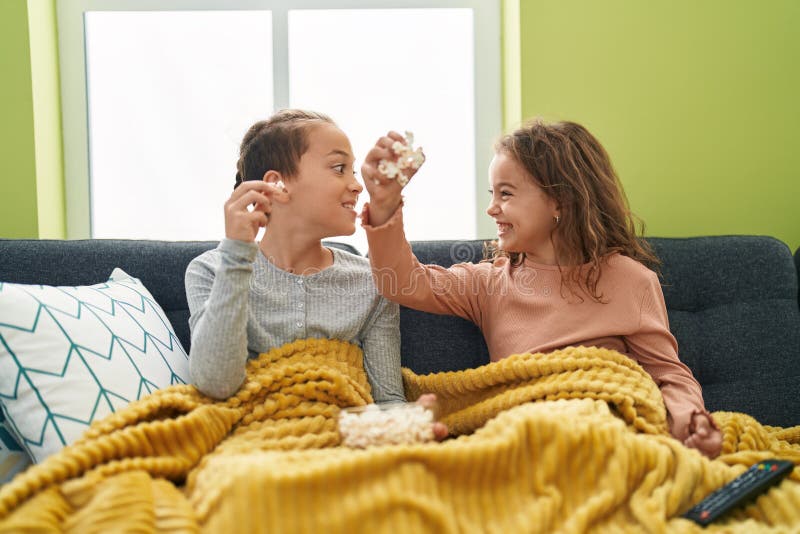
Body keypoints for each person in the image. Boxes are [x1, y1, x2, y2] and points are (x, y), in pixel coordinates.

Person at [360, 119, 723, 458]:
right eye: (492, 193)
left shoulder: (631, 279)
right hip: (529, 433)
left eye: (506, 194)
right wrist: (384, 205)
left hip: (607, 425)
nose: (491, 208)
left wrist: (690, 423)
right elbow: (403, 283)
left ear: (559, 202)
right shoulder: (490, 283)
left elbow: (668, 374)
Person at [184, 109, 408, 407]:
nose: (357, 186)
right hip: (255, 440)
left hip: (342, 442)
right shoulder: (211, 271)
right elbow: (216, 382)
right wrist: (237, 253)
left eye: (353, 172)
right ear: (277, 184)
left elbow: (388, 401)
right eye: (339, 168)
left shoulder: (374, 283)